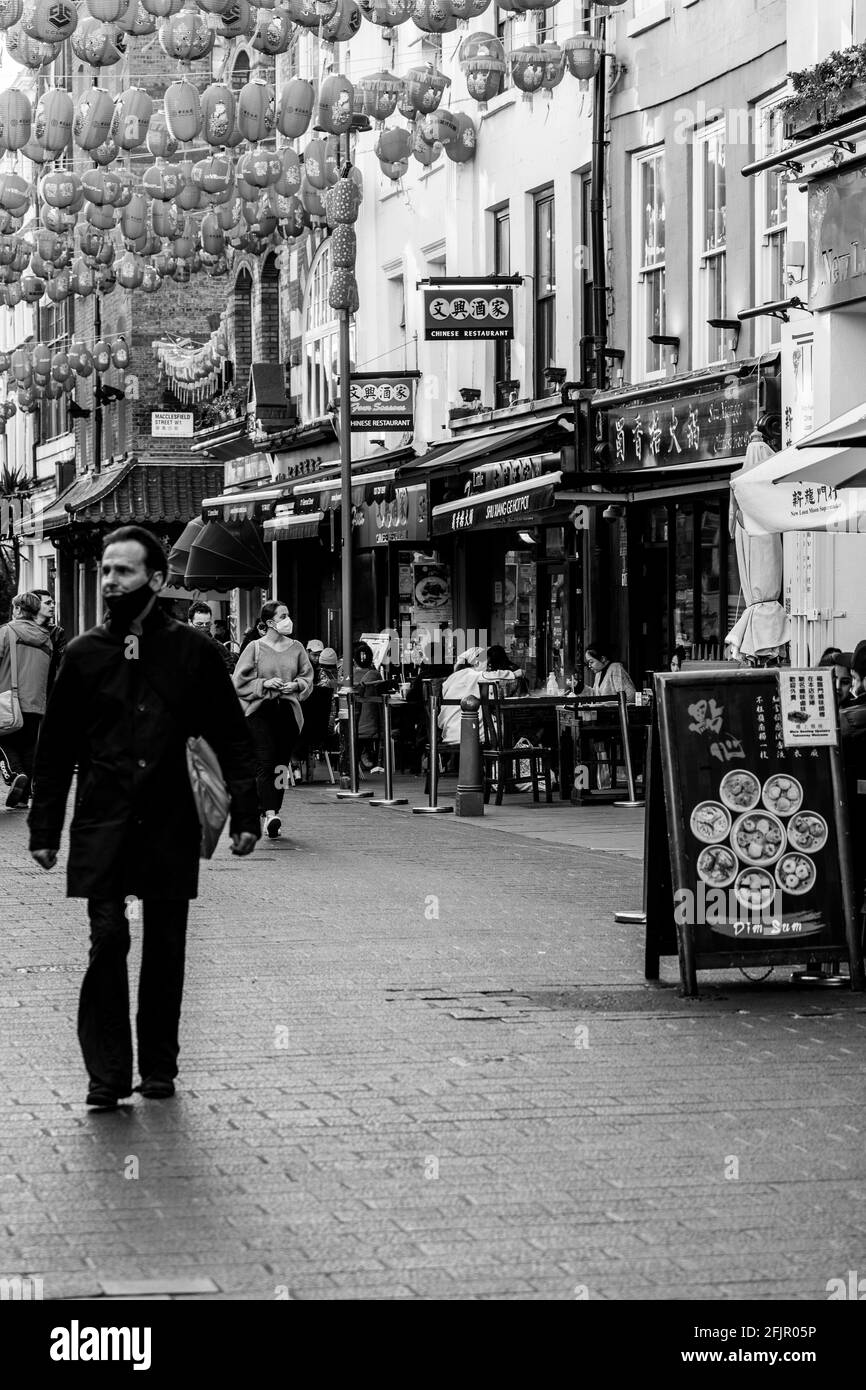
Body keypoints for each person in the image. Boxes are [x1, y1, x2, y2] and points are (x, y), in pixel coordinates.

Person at [27, 525, 259, 1110]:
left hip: (169, 819)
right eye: (105, 571)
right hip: (102, 822)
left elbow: (232, 736)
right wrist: (44, 829)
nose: (110, 581)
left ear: (155, 580)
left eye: (123, 571)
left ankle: (158, 1066)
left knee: (166, 944)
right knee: (108, 939)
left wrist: (247, 813)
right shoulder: (81, 656)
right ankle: (107, 1074)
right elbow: (54, 752)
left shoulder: (193, 652)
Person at [232, 600, 314, 837]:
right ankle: (269, 813)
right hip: (260, 710)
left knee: (280, 764)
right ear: (270, 622)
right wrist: (263, 683)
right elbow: (238, 682)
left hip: (287, 710)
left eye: (288, 614)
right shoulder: (255, 648)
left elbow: (308, 678)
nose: (288, 619)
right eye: (283, 616)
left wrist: (295, 685)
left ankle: (273, 809)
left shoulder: (297, 647)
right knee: (265, 762)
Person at [0, 591, 53, 810]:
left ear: (20, 610)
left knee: (3, 741)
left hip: (8, 700)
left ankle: (14, 776)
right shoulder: (46, 639)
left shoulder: (7, 632)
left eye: (15, 608)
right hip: (36, 703)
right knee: (28, 747)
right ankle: (23, 797)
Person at [439, 646, 486, 747]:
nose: (489, 666)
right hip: (472, 736)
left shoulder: (451, 678)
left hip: (449, 733)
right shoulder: (479, 676)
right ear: (477, 662)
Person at [353, 641, 383, 773]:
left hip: (354, 724)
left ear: (354, 660)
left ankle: (359, 755)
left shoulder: (350, 676)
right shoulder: (376, 675)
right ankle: (367, 753)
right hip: (375, 725)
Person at [31, 588, 68, 691]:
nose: (52, 606)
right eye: (48, 603)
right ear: (35, 605)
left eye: (53, 603)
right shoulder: (18, 629)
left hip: (47, 689)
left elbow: (63, 664)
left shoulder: (56, 632)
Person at [188, 601, 237, 674]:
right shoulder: (181, 643)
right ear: (190, 622)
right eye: (199, 624)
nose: (204, 627)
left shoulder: (219, 647)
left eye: (207, 624)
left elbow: (230, 670)